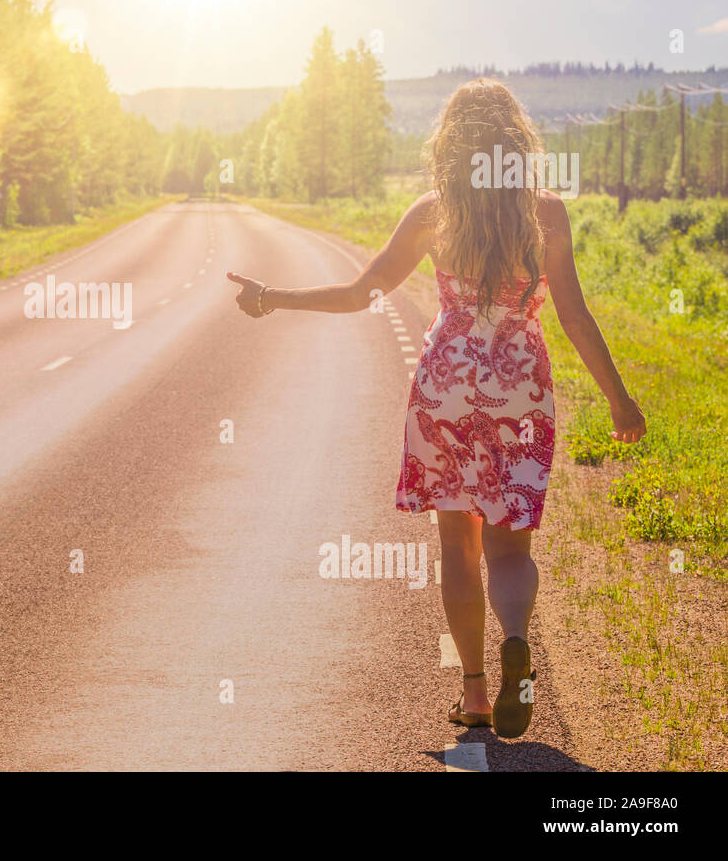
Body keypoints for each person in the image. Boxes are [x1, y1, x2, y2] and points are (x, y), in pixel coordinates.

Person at [226, 77, 646, 739]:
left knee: (458, 543)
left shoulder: (433, 213)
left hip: (447, 384)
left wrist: (274, 296)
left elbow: (361, 293)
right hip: (521, 388)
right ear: (517, 143)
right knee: (512, 547)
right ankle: (517, 641)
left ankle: (475, 695)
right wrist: (621, 399)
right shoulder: (548, 214)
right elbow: (573, 314)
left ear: (449, 145)